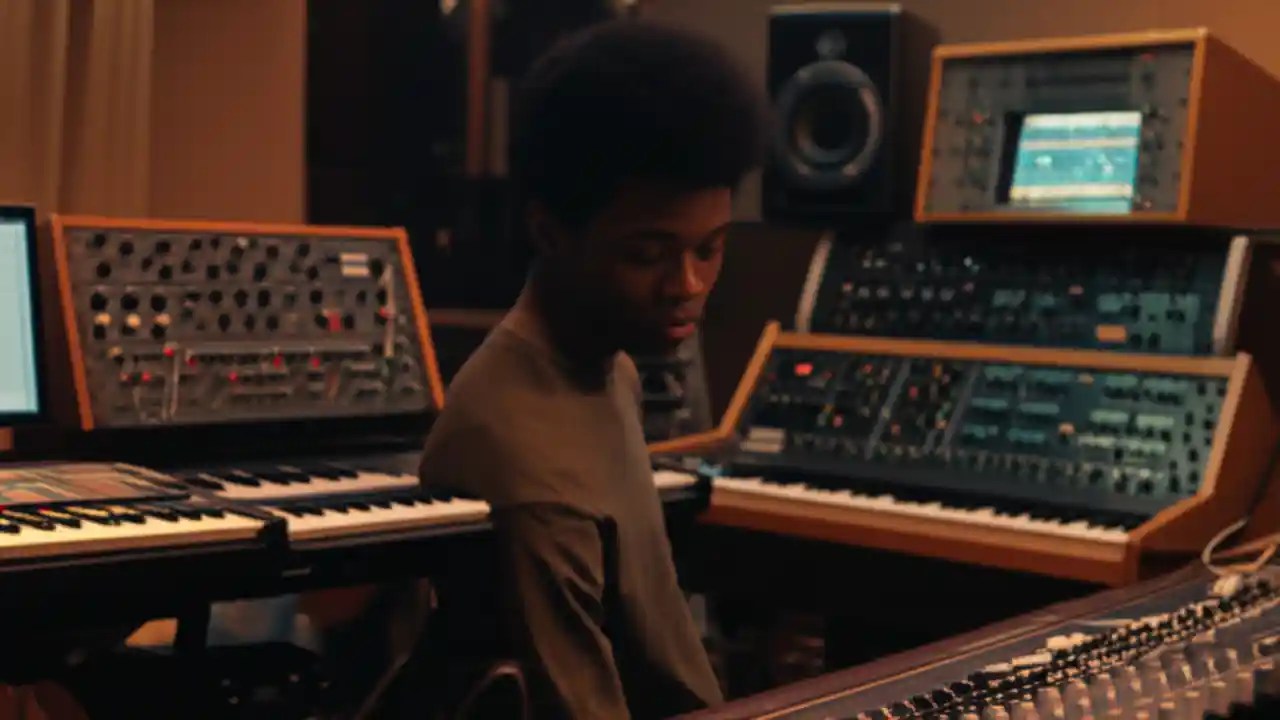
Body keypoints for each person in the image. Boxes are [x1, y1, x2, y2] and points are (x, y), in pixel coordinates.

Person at [417, 18, 767, 720]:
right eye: (649, 254)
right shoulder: (525, 469)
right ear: (549, 231)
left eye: (711, 249)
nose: (688, 284)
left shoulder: (614, 368)